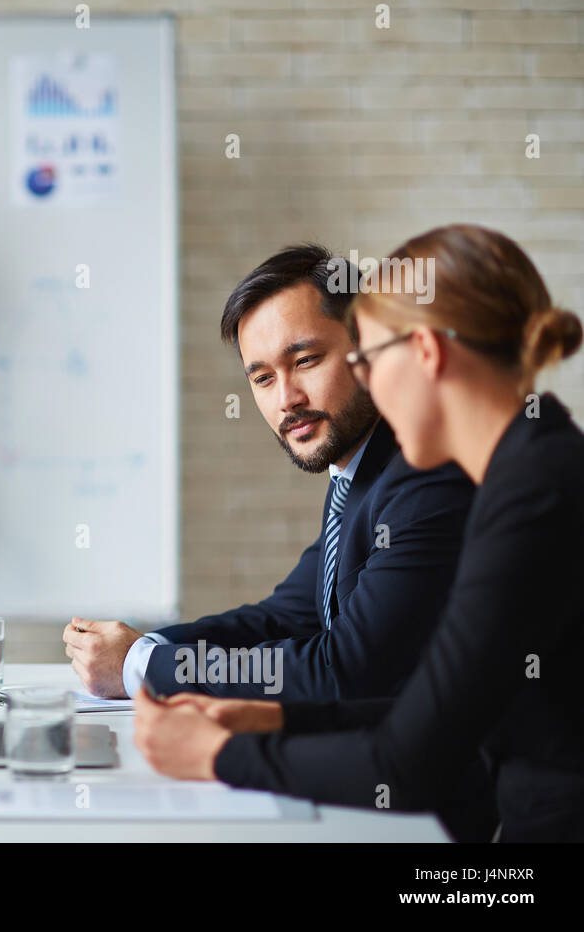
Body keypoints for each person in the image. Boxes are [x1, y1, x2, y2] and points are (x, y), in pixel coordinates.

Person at [134, 224, 584, 842]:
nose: (366, 381)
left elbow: (405, 763)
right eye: (262, 377)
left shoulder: (532, 492)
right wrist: (272, 720)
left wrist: (215, 754)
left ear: (425, 353)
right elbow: (434, 709)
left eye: (367, 357)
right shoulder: (528, 470)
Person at [65, 245, 474, 703]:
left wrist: (141, 667)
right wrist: (145, 648)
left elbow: (347, 670)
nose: (287, 398)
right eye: (262, 379)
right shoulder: (360, 473)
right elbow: (283, 618)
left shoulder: (427, 476)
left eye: (304, 361)